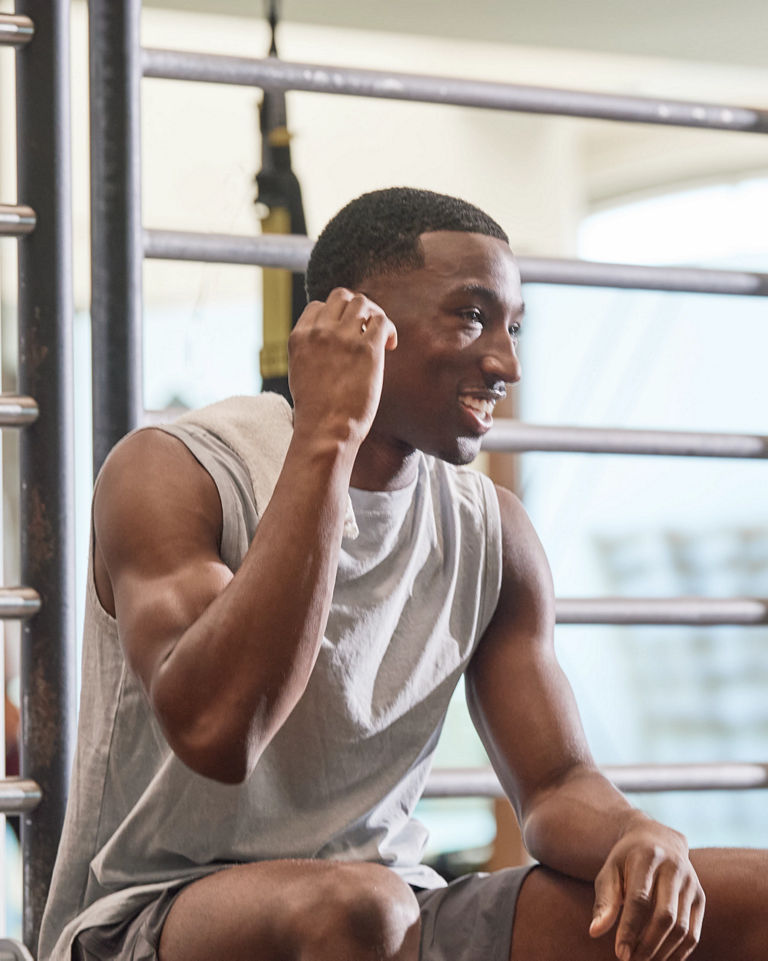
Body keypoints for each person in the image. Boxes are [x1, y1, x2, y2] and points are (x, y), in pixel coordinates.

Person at [40, 187, 765, 961]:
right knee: (361, 910)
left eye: (514, 326)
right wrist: (329, 434)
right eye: (472, 316)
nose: (507, 363)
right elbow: (219, 730)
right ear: (356, 323)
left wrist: (635, 833)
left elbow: (555, 784)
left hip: (395, 906)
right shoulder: (177, 470)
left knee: (753, 897)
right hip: (150, 920)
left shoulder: (490, 531)